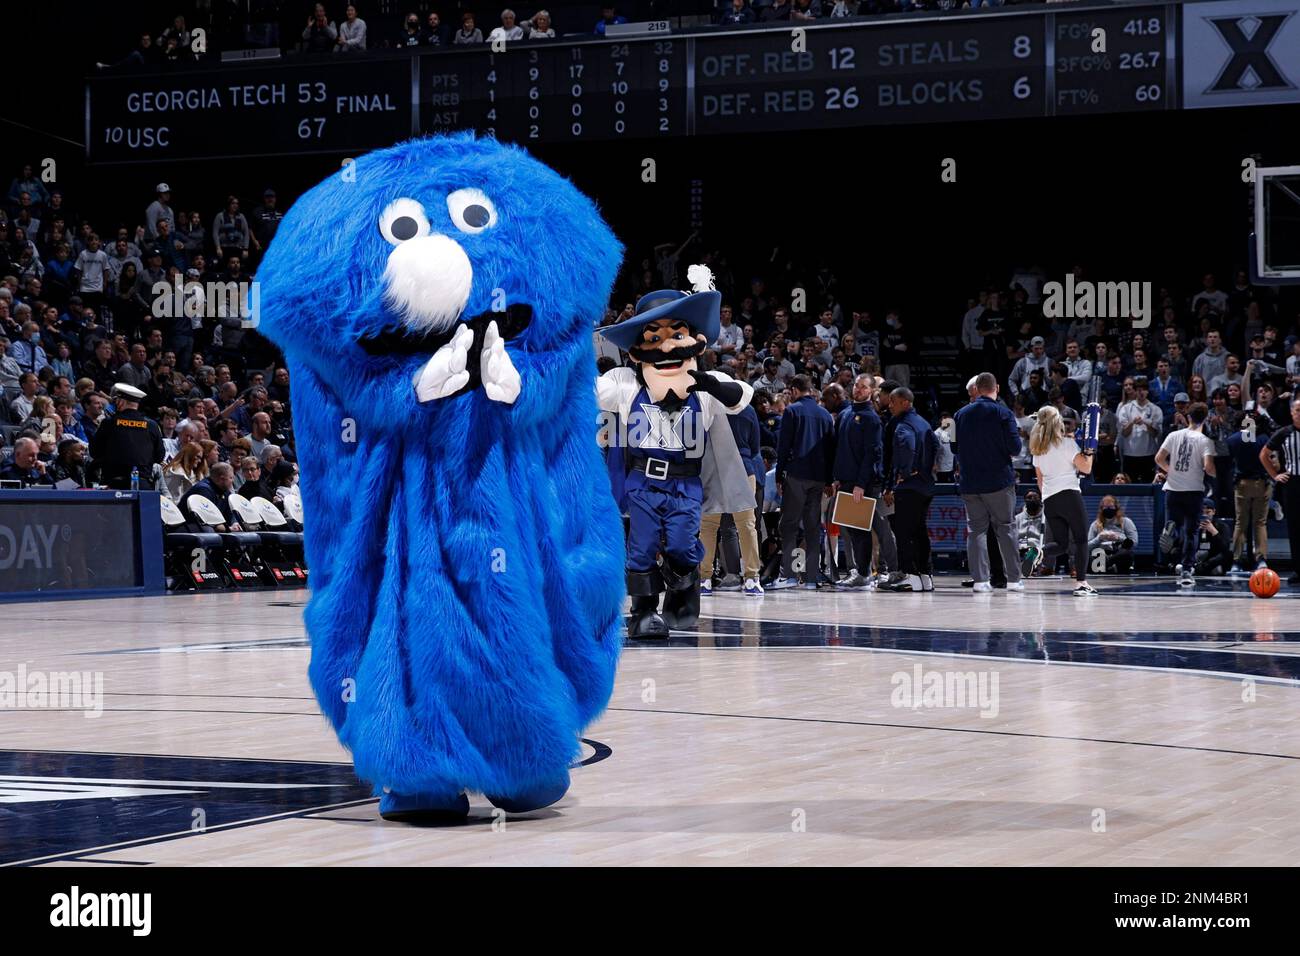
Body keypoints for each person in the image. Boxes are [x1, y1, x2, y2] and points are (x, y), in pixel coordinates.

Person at [596, 267, 753, 634]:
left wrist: (709, 385)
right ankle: (644, 611)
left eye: (676, 335)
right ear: (637, 350)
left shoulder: (704, 386)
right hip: (643, 480)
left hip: (686, 483)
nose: (666, 347)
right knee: (642, 545)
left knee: (684, 544)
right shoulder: (624, 384)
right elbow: (587, 393)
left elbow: (740, 398)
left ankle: (683, 595)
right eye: (654, 337)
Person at [954, 372, 1024, 593]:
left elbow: (954, 448)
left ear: (977, 388)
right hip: (999, 482)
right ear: (997, 388)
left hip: (970, 483)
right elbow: (1015, 448)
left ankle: (980, 581)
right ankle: (1013, 580)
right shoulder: (1004, 413)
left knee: (976, 531)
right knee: (1006, 529)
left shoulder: (958, 415)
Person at [772, 374, 835, 589]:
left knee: (788, 525)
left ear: (796, 390)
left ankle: (789, 575)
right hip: (818, 478)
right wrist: (828, 479)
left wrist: (779, 474)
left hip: (797, 476)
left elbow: (783, 446)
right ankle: (811, 578)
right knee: (813, 527)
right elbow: (830, 450)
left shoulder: (792, 411)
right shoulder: (826, 415)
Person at [831, 374, 894, 589]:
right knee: (853, 529)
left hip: (864, 483)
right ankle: (861, 571)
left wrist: (860, 483)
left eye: (863, 387)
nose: (858, 389)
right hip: (846, 480)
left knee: (865, 529)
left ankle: (868, 573)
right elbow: (838, 448)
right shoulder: (846, 413)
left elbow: (872, 454)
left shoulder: (871, 417)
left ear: (871, 391)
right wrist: (837, 478)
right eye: (857, 385)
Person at [1029, 404, 1096, 596]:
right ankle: (1081, 584)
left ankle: (1040, 551)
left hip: (1050, 500)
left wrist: (1048, 496)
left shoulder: (1038, 449)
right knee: (1081, 540)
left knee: (1061, 544)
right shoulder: (1067, 444)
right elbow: (1086, 469)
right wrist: (1089, 452)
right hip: (1069, 495)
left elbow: (1040, 481)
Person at [1155, 401, 1217, 587]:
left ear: (1188, 417)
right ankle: (1187, 570)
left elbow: (1159, 458)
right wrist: (1214, 473)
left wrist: (1170, 471)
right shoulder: (1205, 440)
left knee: (1174, 522)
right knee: (1191, 532)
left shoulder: (1174, 435)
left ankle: (1170, 528)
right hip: (1194, 491)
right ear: (1205, 419)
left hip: (1173, 488)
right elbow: (1208, 467)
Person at [882, 387, 937, 592]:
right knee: (921, 532)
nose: (890, 405)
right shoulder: (924, 423)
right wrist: (924, 469)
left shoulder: (903, 425)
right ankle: (926, 576)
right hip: (925, 486)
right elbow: (936, 447)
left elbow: (906, 446)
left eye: (893, 402)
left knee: (904, 533)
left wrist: (905, 472)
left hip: (908, 488)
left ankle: (911, 576)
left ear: (905, 402)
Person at [87, 383, 165, 490]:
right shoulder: (151, 425)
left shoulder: (109, 423)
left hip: (114, 485)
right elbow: (159, 456)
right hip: (142, 485)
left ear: (120, 402)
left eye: (116, 400)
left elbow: (94, 452)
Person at [1260, 396, 1300, 584]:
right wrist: (1275, 475)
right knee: (1294, 527)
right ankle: (1298, 569)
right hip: (1292, 483)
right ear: (1292, 413)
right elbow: (1264, 454)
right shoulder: (1284, 433)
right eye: (1297, 410)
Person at [1228, 409, 1272, 571]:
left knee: (1240, 523)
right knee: (1260, 523)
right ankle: (1261, 559)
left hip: (1242, 485)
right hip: (1261, 483)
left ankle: (1236, 561)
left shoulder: (1234, 439)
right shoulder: (1264, 439)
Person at [1116, 376, 1163, 482]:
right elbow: (1124, 433)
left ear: (1147, 392)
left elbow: (1156, 434)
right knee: (1130, 486)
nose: (1141, 393)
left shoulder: (1155, 409)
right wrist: (1132, 423)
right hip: (1130, 454)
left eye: (1144, 390)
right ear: (1135, 391)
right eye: (1139, 390)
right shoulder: (1126, 409)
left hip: (1149, 454)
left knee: (1148, 485)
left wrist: (1145, 423)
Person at [1087, 495, 1138, 573]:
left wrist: (1118, 538)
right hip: (1101, 553)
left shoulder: (1126, 522)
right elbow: (1087, 546)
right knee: (1097, 553)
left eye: (1111, 507)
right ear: (1101, 509)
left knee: (1126, 553)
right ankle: (1108, 565)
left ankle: (1107, 565)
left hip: (1118, 552)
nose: (1108, 509)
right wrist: (1099, 538)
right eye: (1105, 507)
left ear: (1116, 508)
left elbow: (1134, 542)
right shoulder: (1095, 524)